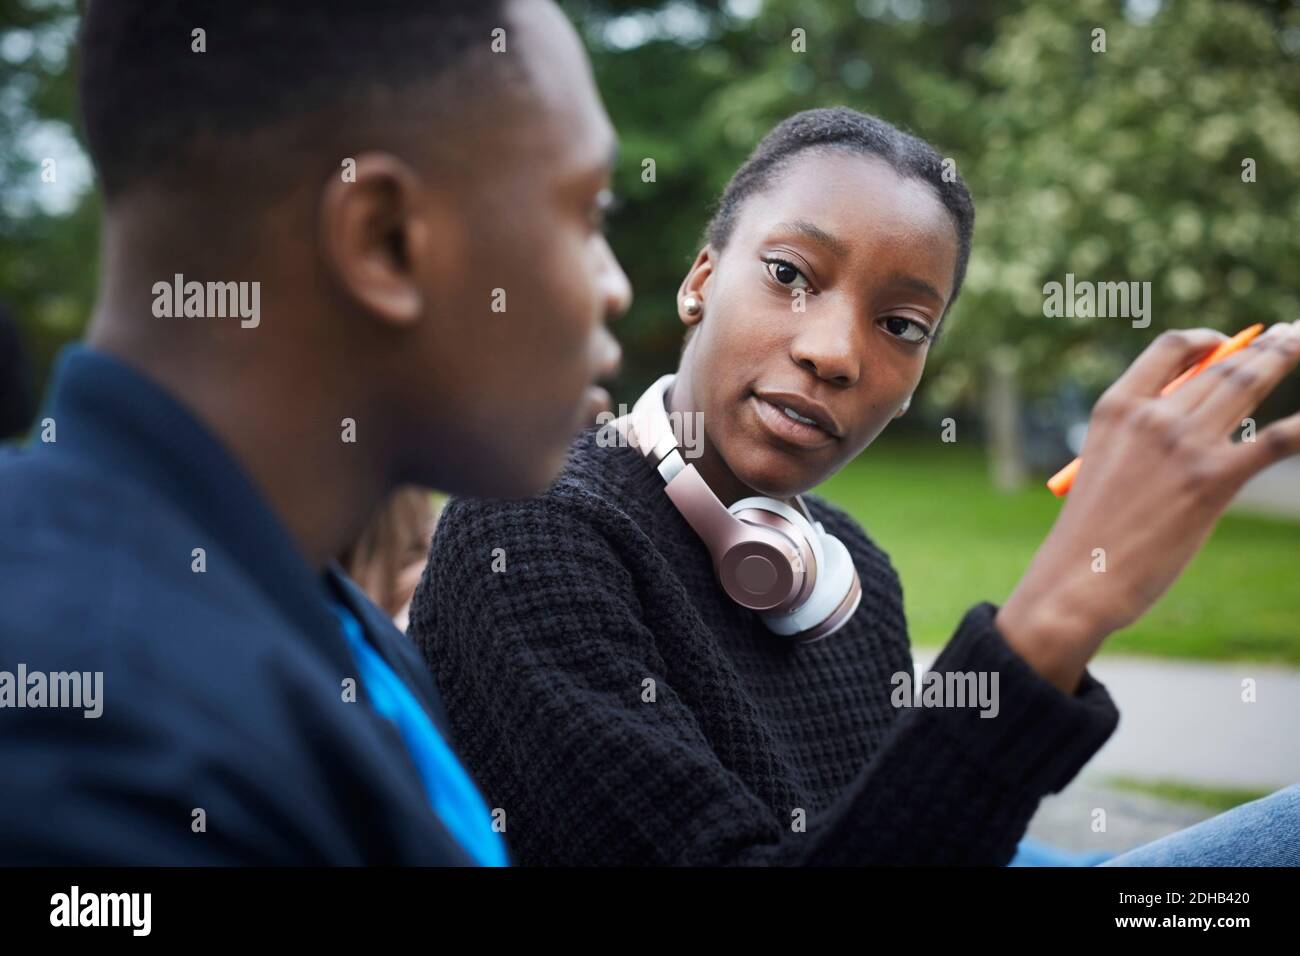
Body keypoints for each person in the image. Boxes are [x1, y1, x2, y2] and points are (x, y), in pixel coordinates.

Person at [409, 107, 1300, 866]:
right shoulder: (528, 529)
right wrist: (1061, 617)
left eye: (901, 323)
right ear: (700, 280)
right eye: (790, 274)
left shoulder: (851, 574)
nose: (834, 352)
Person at [0, 0, 629, 865]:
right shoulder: (103, 751)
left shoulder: (322, 616)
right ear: (385, 239)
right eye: (589, 214)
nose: (615, 286)